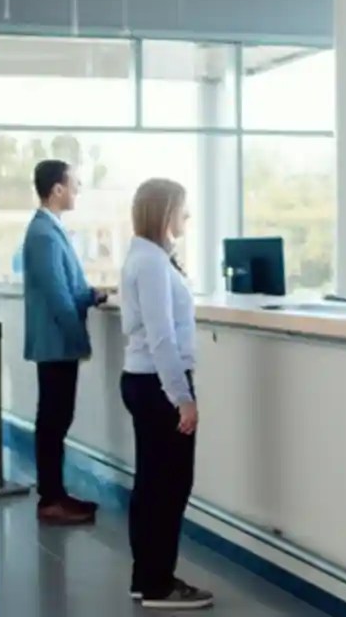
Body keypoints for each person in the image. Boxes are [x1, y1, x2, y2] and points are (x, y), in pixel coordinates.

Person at [119, 178, 214, 610]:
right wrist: (182, 397)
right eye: (181, 207)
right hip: (159, 386)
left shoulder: (148, 256)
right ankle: (158, 584)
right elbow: (161, 337)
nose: (186, 215)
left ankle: (147, 579)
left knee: (153, 483)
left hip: (145, 381)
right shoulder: (151, 263)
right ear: (163, 212)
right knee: (170, 485)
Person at [22, 159, 107, 526]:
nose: (78, 190)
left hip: (58, 343)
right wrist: (79, 341)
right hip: (57, 344)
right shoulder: (43, 233)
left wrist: (91, 295)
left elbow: (66, 287)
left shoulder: (50, 229)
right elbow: (57, 296)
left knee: (57, 418)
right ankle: (51, 498)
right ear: (57, 189)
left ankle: (55, 493)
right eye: (74, 184)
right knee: (54, 420)